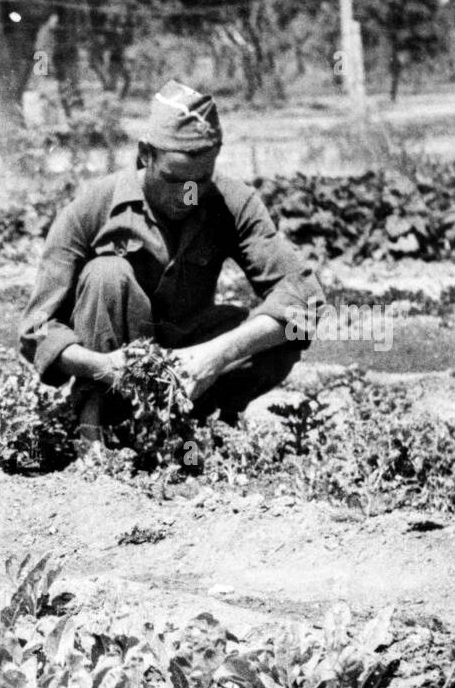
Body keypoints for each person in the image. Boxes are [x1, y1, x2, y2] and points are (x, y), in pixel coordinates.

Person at [19, 80, 324, 437]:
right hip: (114, 366)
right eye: (174, 179)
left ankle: (201, 429)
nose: (188, 195)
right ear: (146, 154)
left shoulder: (233, 203)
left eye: (202, 179)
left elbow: (306, 298)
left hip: (190, 363)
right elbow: (36, 330)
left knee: (278, 337)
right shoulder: (92, 208)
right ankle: (94, 428)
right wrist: (103, 366)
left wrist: (214, 357)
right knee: (106, 274)